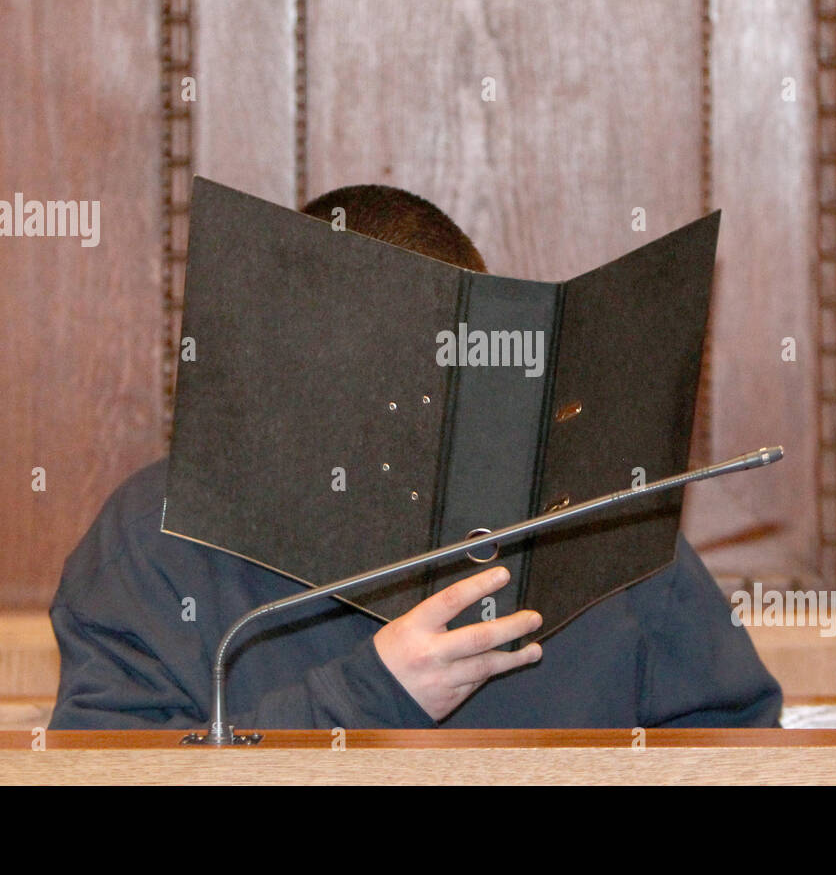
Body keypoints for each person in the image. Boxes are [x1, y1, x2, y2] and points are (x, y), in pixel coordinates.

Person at [48, 184, 783, 730]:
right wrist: (366, 700)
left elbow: (736, 746)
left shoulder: (593, 520)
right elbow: (109, 775)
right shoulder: (156, 534)